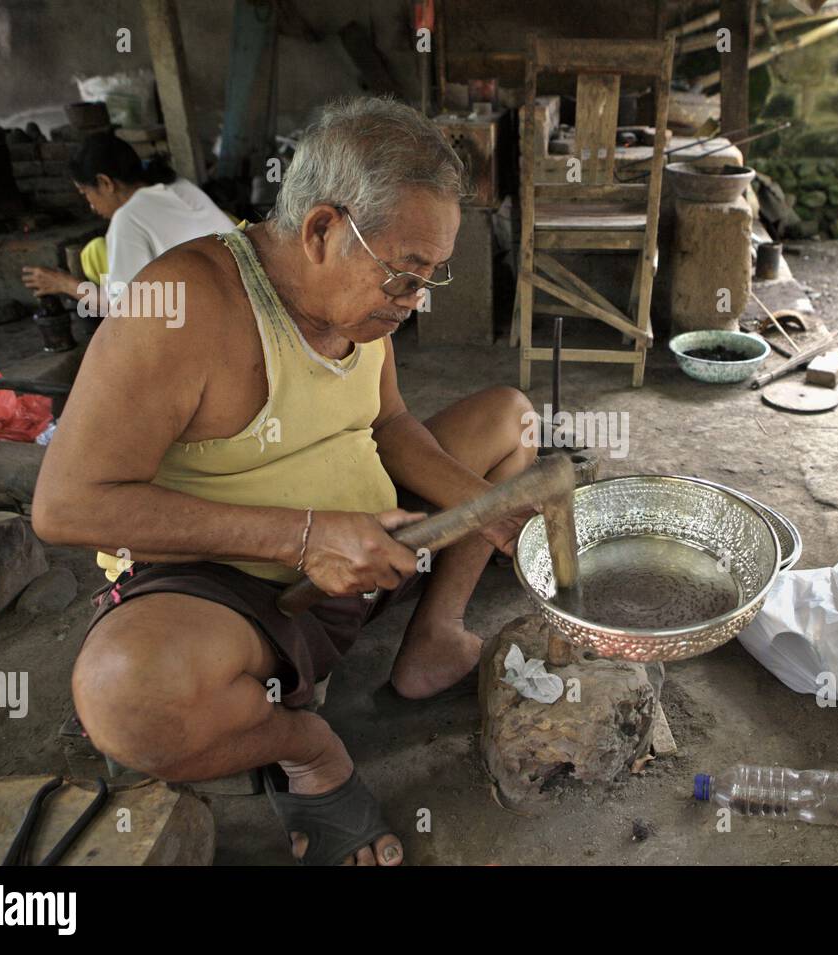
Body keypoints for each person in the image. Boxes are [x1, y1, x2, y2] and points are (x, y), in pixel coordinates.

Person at [33, 96, 536, 867]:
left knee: (513, 420)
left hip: (379, 547)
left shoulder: (363, 306)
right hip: (238, 591)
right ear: (323, 229)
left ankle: (434, 633)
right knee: (124, 693)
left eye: (430, 276)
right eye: (405, 275)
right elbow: (65, 505)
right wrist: (303, 537)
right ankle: (306, 746)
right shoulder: (187, 304)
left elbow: (390, 421)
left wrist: (481, 504)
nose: (417, 299)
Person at [20, 132, 235, 312]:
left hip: (220, 314)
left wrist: (64, 284)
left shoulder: (129, 217)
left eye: (85, 193)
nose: (91, 206)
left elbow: (122, 309)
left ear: (105, 182)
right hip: (243, 294)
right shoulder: (177, 185)